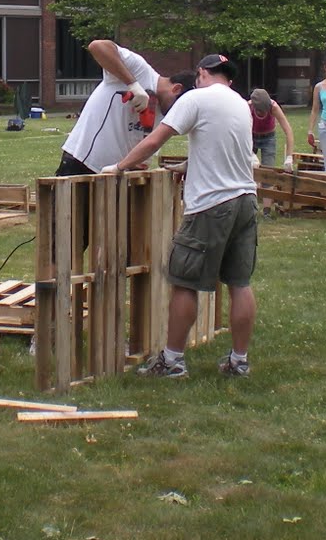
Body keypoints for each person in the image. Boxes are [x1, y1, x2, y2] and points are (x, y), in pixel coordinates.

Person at [109, 54, 259, 379]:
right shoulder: (239, 104)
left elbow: (156, 138)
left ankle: (172, 361)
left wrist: (119, 167)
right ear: (228, 78)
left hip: (211, 206)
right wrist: (187, 168)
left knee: (184, 281)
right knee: (239, 283)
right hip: (246, 200)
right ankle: (239, 361)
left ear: (202, 73)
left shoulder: (196, 98)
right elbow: (225, 151)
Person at [56, 39, 186, 176]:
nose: (176, 113)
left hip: (115, 174)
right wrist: (133, 84)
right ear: (176, 89)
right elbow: (97, 46)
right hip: (83, 161)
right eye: (179, 106)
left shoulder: (165, 115)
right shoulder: (140, 70)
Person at [248, 88, 295, 169]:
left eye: (265, 111)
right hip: (251, 137)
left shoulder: (274, 107)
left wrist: (289, 157)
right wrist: (251, 153)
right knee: (247, 169)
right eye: (261, 112)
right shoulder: (248, 107)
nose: (264, 113)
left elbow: (288, 131)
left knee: (268, 170)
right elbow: (241, 132)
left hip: (268, 139)